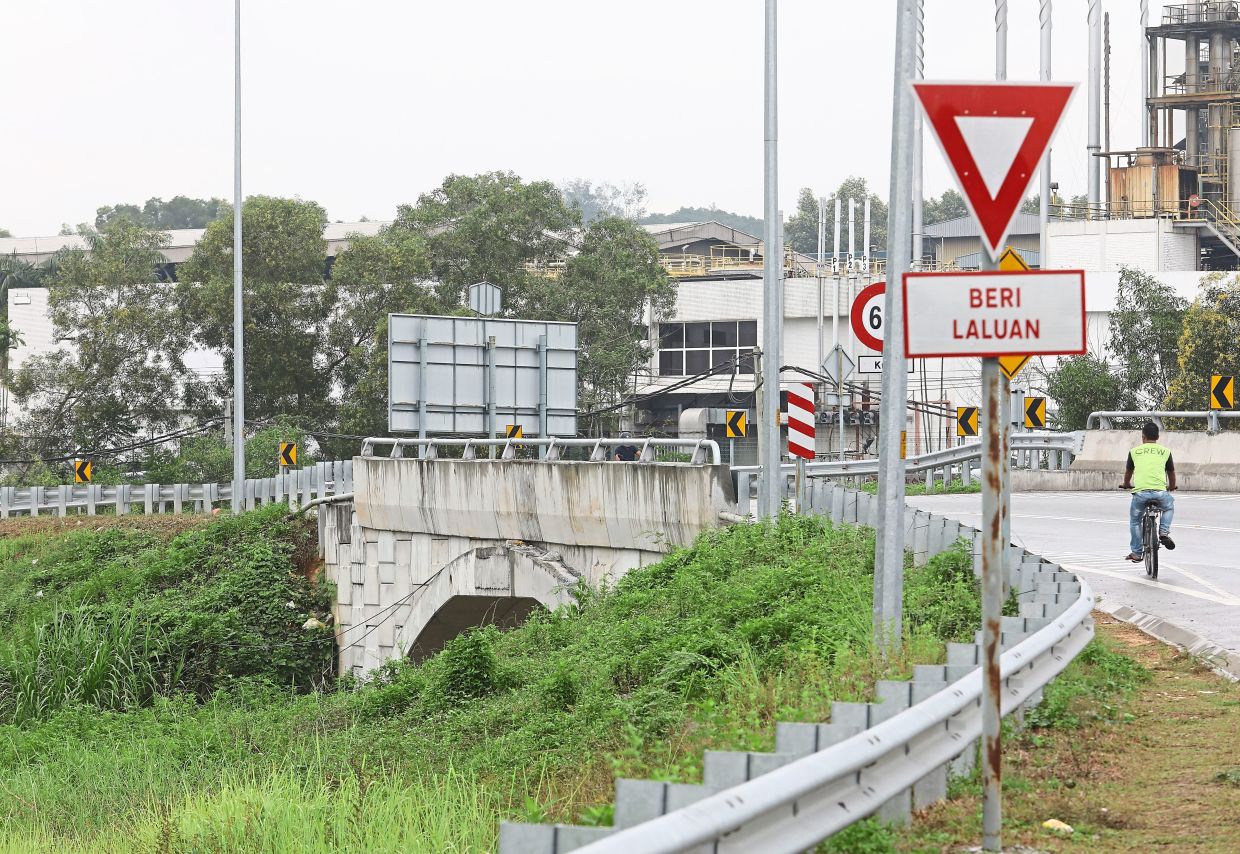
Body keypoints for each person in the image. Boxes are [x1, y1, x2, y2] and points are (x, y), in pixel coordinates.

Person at [1120, 421, 1176, 562]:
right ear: (1157, 437)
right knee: (1168, 507)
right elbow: (1171, 472)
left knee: (1135, 522)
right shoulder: (1165, 452)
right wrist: (1172, 486)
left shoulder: (1134, 452)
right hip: (1160, 493)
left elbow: (1128, 472)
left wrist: (1126, 484)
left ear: (1143, 437)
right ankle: (1163, 532)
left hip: (1141, 494)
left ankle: (1137, 553)